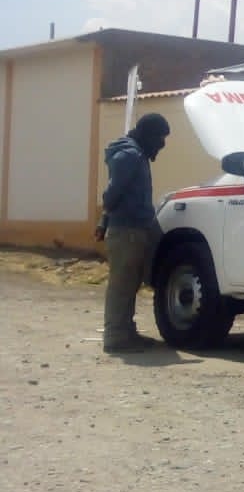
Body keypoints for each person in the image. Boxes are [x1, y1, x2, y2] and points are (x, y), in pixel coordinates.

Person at [98, 112, 170, 353]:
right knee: (121, 285)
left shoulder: (137, 154)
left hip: (133, 229)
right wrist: (105, 219)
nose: (162, 143)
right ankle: (116, 336)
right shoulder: (130, 155)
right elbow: (112, 194)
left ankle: (125, 333)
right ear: (148, 134)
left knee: (129, 284)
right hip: (126, 231)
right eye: (160, 137)